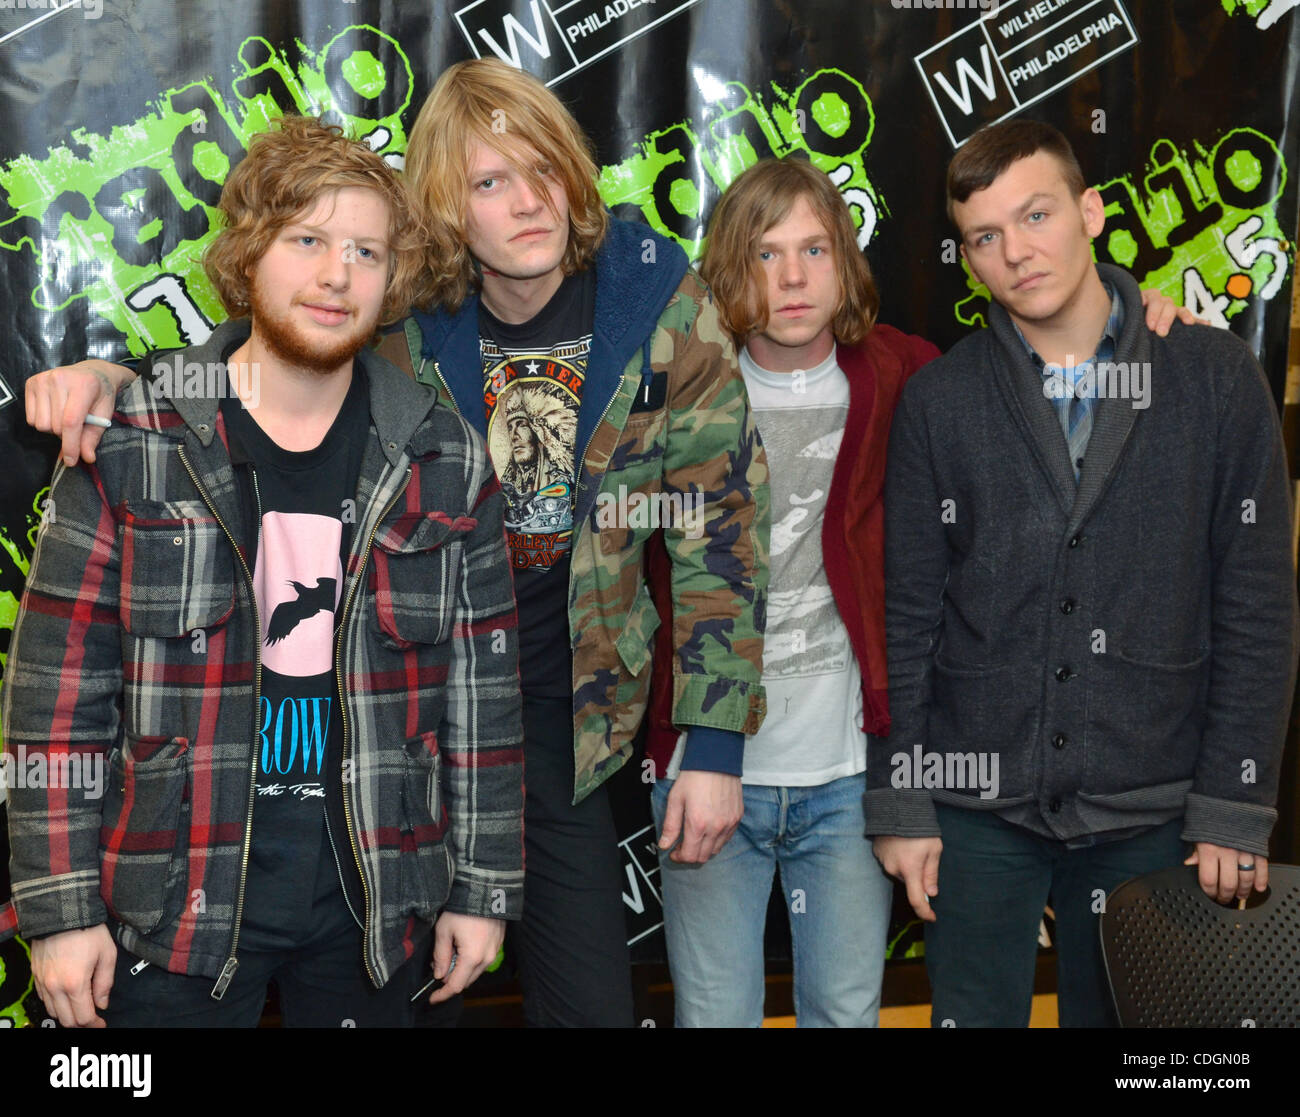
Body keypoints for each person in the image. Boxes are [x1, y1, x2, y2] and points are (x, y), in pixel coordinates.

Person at [26, 59, 770, 1028]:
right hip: (388, 719)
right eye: (489, 181)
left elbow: (716, 526)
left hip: (556, 711)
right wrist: (114, 381)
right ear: (444, 214)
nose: (528, 201)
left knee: (587, 1000)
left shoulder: (659, 302)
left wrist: (711, 744)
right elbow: (272, 353)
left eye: (542, 169)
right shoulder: (403, 311)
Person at [642, 155, 1194, 1028]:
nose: (791, 278)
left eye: (815, 249)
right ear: (726, 268)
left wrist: (1149, 319)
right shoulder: (677, 389)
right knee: (713, 1015)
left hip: (850, 780)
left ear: (846, 260)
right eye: (764, 253)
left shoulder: (910, 376)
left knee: (848, 1011)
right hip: (709, 770)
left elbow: (1064, 359)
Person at [2, 116, 525, 1027]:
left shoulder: (444, 457)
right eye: (308, 240)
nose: (337, 274)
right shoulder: (135, 437)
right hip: (171, 905)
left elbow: (482, 700)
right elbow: (54, 698)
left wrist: (482, 889)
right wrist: (59, 909)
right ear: (248, 255)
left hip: (375, 909)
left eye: (366, 250)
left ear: (393, 277)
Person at [866, 118, 1298, 1028]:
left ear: (1092, 212)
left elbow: (1257, 606)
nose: (1016, 252)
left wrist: (1235, 801)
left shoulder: (1214, 378)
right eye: (985, 237)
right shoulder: (941, 400)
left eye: (1036, 215)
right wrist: (901, 798)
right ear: (968, 261)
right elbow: (906, 615)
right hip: (974, 807)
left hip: (1155, 808)